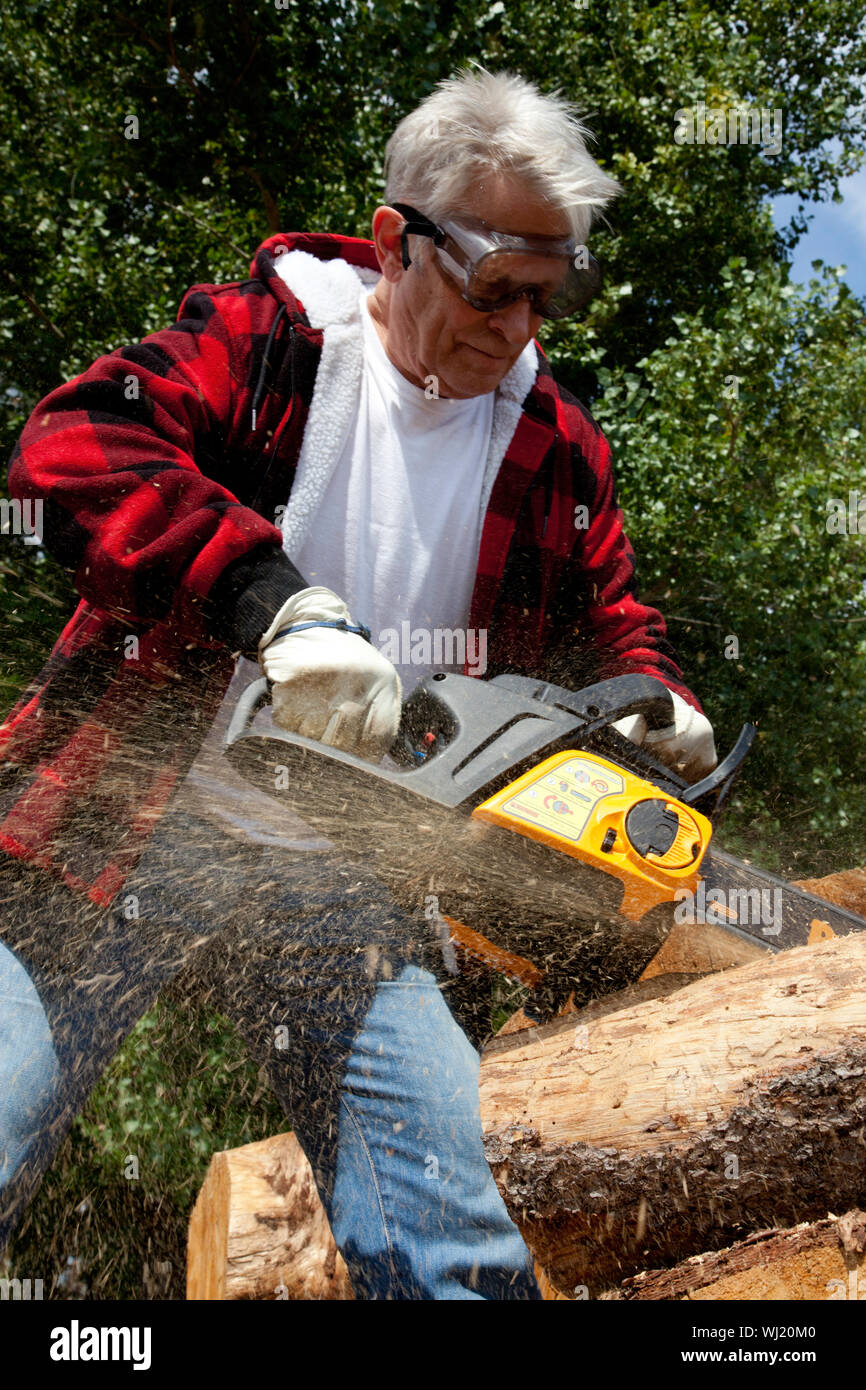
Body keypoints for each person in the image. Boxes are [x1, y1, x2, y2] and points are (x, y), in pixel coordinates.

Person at [0, 67, 716, 1299]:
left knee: (455, 1248)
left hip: (342, 873)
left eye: (550, 296)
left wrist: (652, 697)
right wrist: (266, 603)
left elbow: (613, 626)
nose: (517, 326)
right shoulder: (277, 339)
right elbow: (73, 448)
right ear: (397, 240)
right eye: (493, 286)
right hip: (124, 820)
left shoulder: (553, 444)